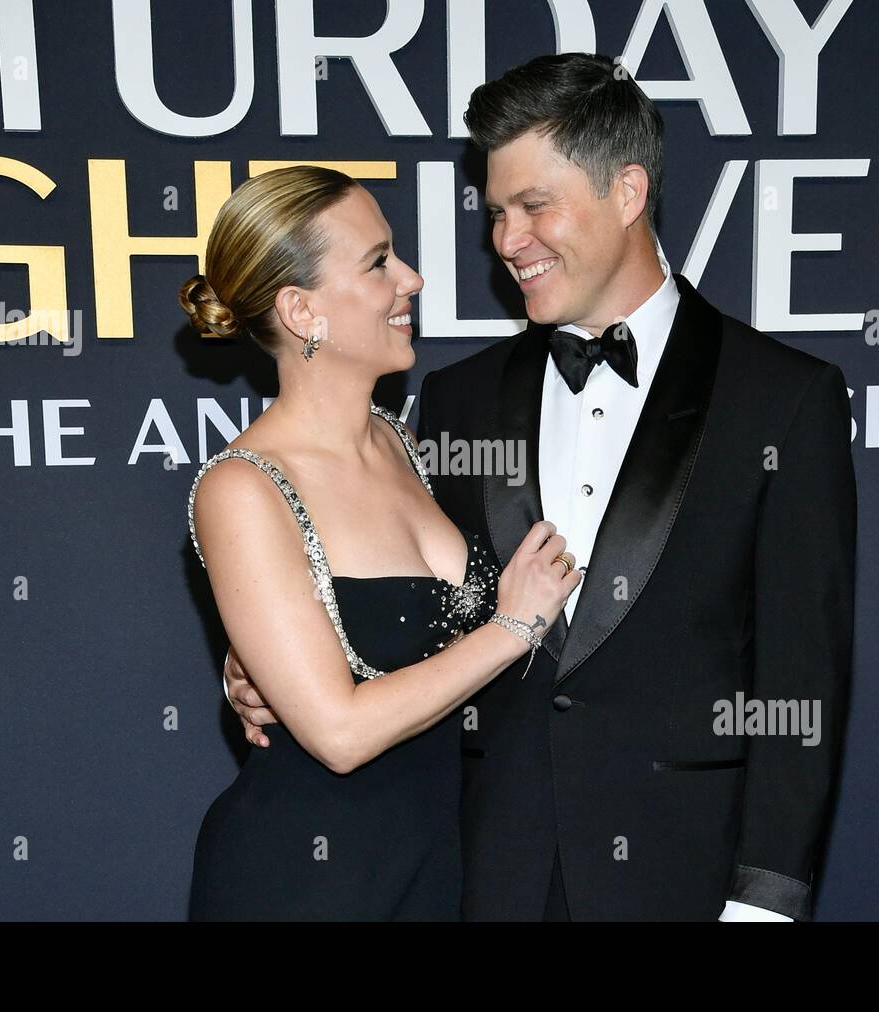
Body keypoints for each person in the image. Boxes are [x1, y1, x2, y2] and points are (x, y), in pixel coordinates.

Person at [226, 54, 857, 921]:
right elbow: (397, 603)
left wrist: (765, 902)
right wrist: (274, 659)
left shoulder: (782, 399)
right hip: (482, 878)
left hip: (684, 882)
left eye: (534, 206)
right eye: (495, 213)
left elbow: (803, 681)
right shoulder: (456, 399)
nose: (505, 240)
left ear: (628, 192)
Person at [181, 165, 583, 920]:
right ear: (303, 311)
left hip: (436, 869)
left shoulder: (407, 444)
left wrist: (263, 662)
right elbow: (337, 732)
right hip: (308, 883)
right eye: (377, 263)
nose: (413, 277)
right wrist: (510, 625)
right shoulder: (243, 487)